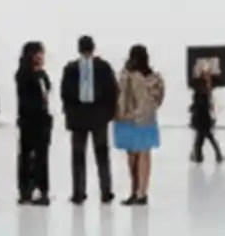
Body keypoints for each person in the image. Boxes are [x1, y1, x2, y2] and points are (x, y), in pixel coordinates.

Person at [60, 35, 118, 204]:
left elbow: (112, 92)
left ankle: (94, 191)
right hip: (85, 117)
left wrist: (107, 113)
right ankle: (90, 191)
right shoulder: (73, 68)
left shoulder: (100, 67)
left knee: (91, 154)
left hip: (92, 116)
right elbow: (66, 94)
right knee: (91, 154)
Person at [113, 44, 164, 206]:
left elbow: (118, 95)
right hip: (145, 120)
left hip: (127, 119)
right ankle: (141, 192)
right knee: (143, 155)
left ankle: (136, 191)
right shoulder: (153, 78)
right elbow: (158, 99)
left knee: (134, 156)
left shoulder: (125, 75)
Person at [15, 41, 52, 206]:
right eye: (40, 54)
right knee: (27, 156)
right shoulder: (24, 75)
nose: (42, 57)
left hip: (42, 122)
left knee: (41, 158)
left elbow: (48, 88)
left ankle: (41, 190)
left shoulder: (41, 74)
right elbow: (29, 99)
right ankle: (25, 190)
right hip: (30, 122)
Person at [189, 62, 225, 164]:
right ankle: (213, 156)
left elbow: (199, 105)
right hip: (203, 119)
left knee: (202, 140)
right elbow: (203, 105)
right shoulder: (203, 92)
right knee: (205, 139)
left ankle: (200, 157)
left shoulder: (200, 91)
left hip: (201, 119)